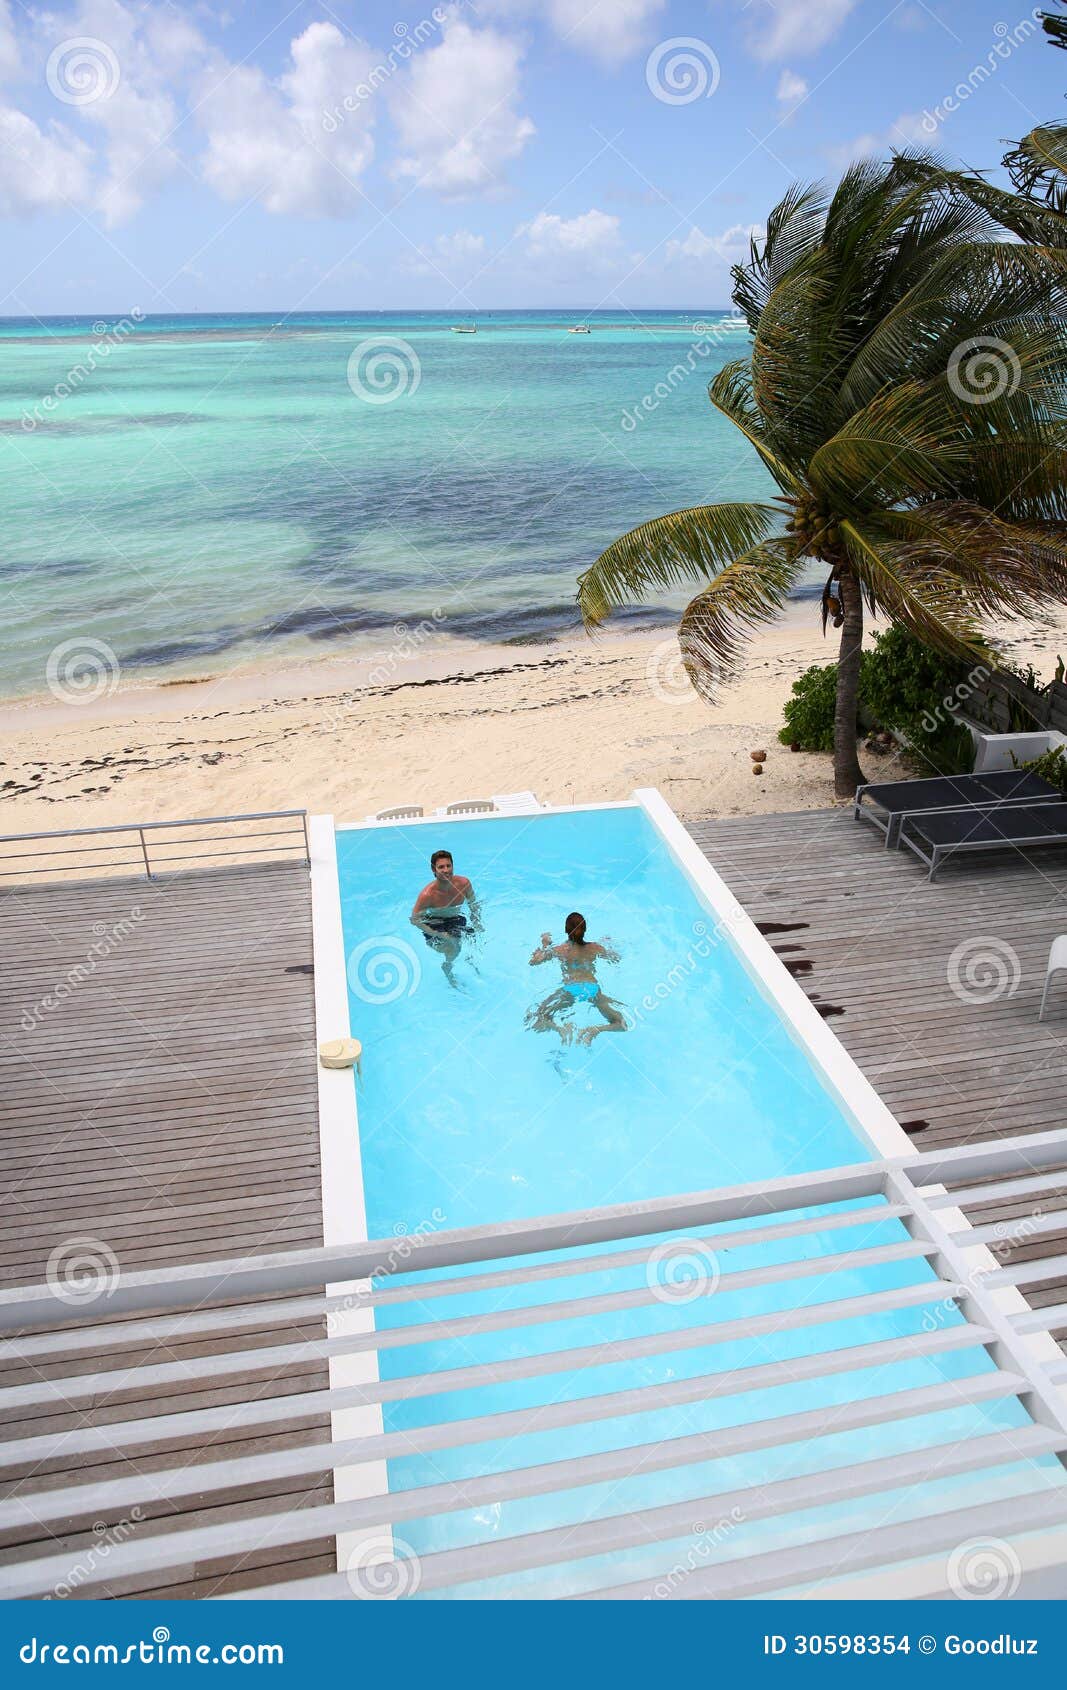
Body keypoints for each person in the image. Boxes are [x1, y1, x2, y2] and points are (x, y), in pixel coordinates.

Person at [526, 912, 626, 1045]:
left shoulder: (559, 950)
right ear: (585, 930)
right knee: (621, 1023)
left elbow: (534, 962)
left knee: (537, 1018)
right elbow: (616, 959)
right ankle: (596, 1029)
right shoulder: (595, 947)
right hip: (593, 989)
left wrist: (545, 944)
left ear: (566, 930)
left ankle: (561, 1029)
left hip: (570, 989)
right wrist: (608, 944)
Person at [410, 849, 480, 982]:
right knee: (453, 948)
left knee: (473, 939)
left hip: (455, 919)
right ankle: (447, 966)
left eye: (448, 866)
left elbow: (473, 903)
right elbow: (414, 920)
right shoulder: (428, 895)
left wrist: (476, 920)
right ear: (433, 870)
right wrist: (439, 934)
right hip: (435, 923)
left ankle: (469, 962)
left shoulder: (464, 883)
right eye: (441, 867)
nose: (446, 870)